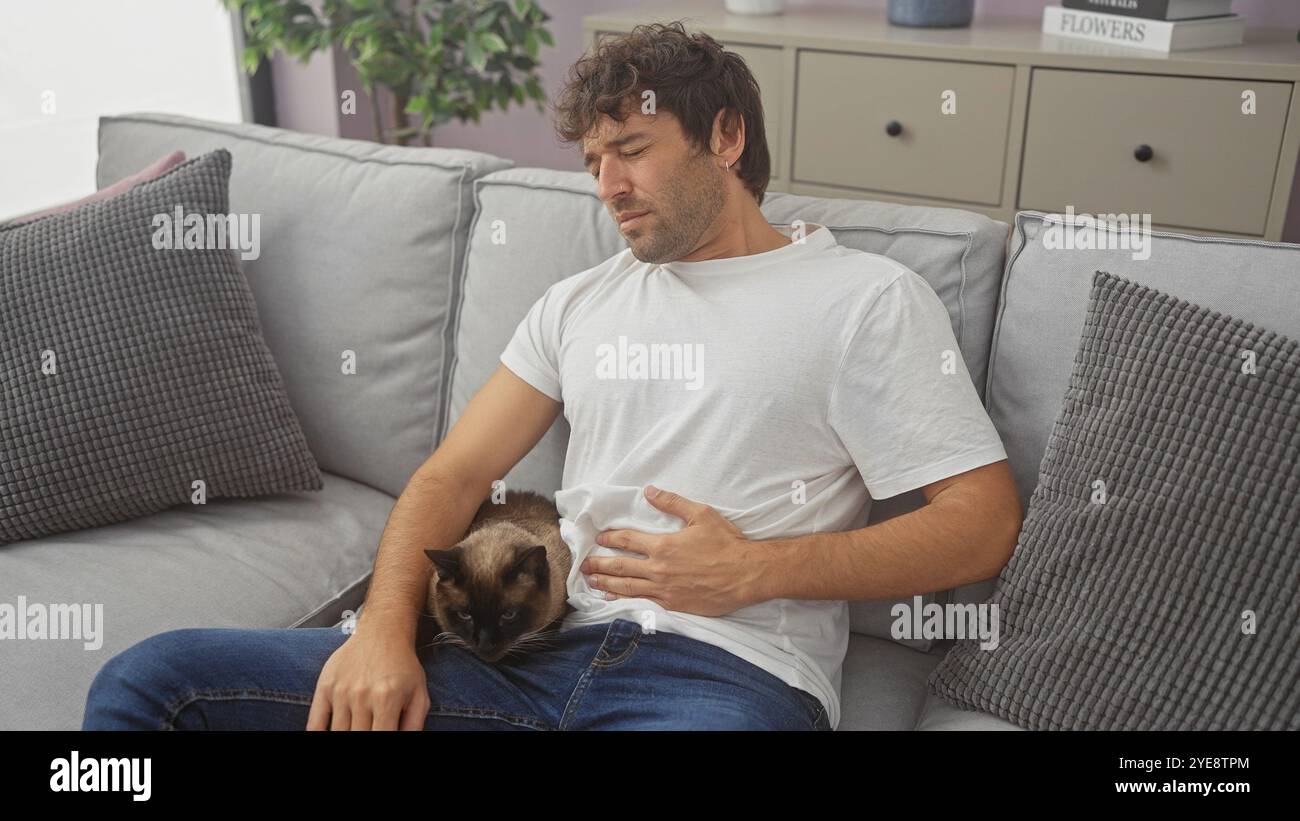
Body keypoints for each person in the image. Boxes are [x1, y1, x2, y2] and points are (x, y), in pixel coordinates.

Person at [82, 21, 1022, 732]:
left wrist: (756, 568)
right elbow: (450, 478)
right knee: (148, 684)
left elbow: (982, 523)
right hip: (521, 648)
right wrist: (381, 628)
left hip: (722, 677)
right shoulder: (579, 302)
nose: (607, 185)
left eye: (634, 151)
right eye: (593, 160)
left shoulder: (865, 299)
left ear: (726, 138)